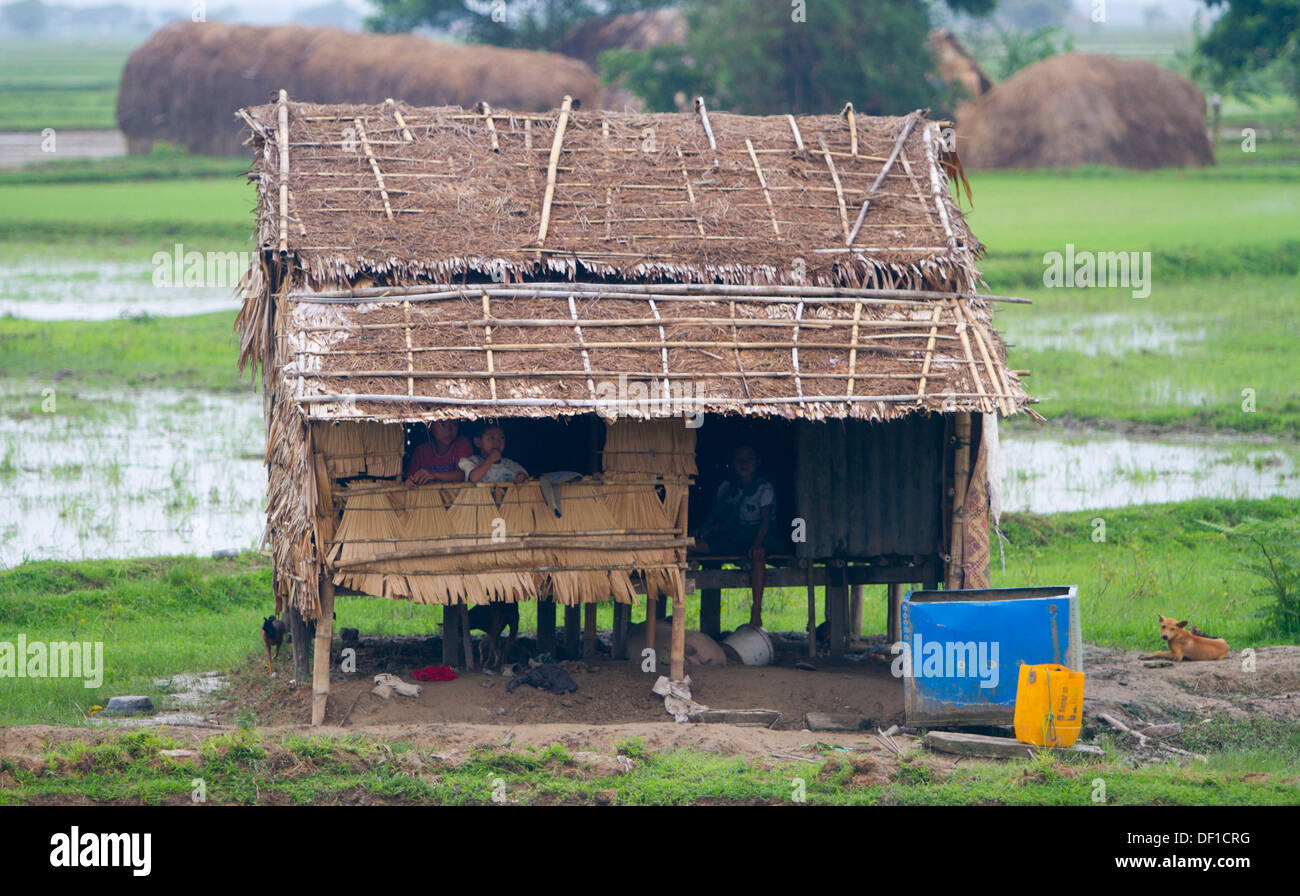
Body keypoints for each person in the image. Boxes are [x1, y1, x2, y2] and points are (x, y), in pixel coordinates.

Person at [693, 445, 778, 629]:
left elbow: (765, 520)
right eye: (739, 460)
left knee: (758, 558)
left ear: (757, 463)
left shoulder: (764, 488)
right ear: (733, 464)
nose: (744, 463)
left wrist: (758, 544)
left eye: (749, 459)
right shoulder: (728, 488)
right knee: (694, 546)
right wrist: (709, 530)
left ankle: (756, 612)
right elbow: (723, 517)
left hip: (760, 535)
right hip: (736, 535)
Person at [405, 420, 473, 486]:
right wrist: (411, 481)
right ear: (430, 426)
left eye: (453, 424)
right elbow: (410, 477)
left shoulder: (462, 444)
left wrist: (435, 474)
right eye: (442, 425)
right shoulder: (422, 451)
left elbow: (465, 474)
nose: (449, 430)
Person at [458, 424, 528, 484]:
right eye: (491, 438)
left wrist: (520, 478)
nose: (497, 442)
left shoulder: (509, 465)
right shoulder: (473, 461)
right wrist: (490, 460)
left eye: (501, 438)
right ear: (477, 442)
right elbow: (474, 478)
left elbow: (526, 477)